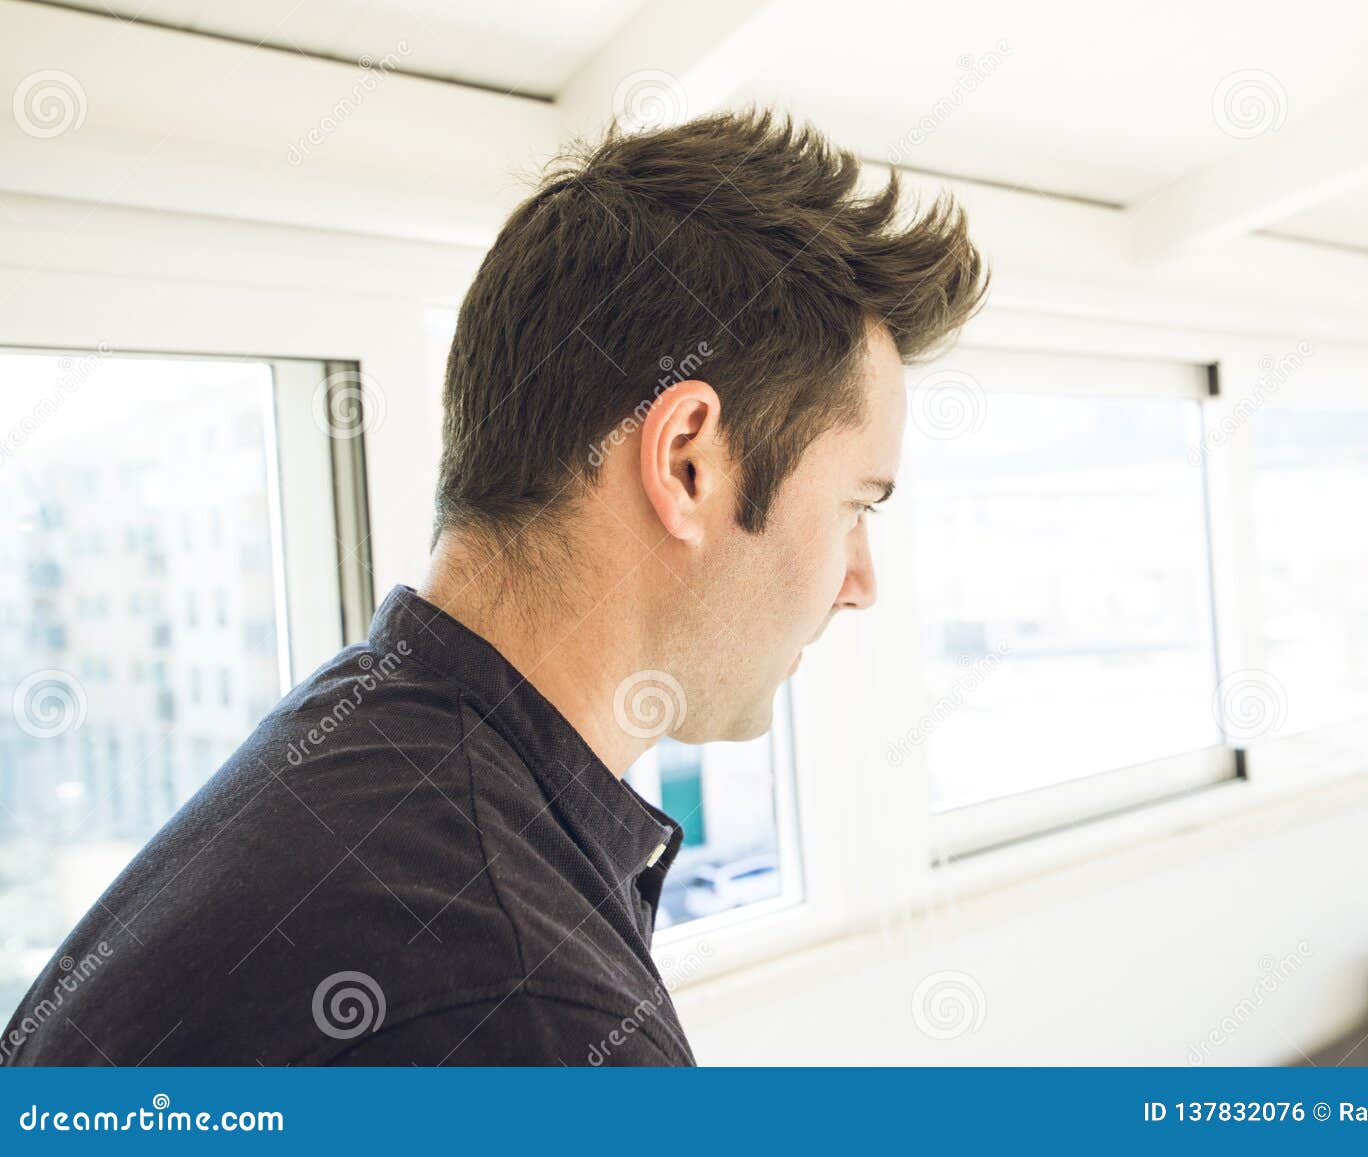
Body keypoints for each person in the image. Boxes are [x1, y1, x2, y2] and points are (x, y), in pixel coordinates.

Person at [2, 109, 988, 1066]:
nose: (860, 582)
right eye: (856, 505)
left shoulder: (357, 740)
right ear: (687, 463)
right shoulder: (522, 1004)